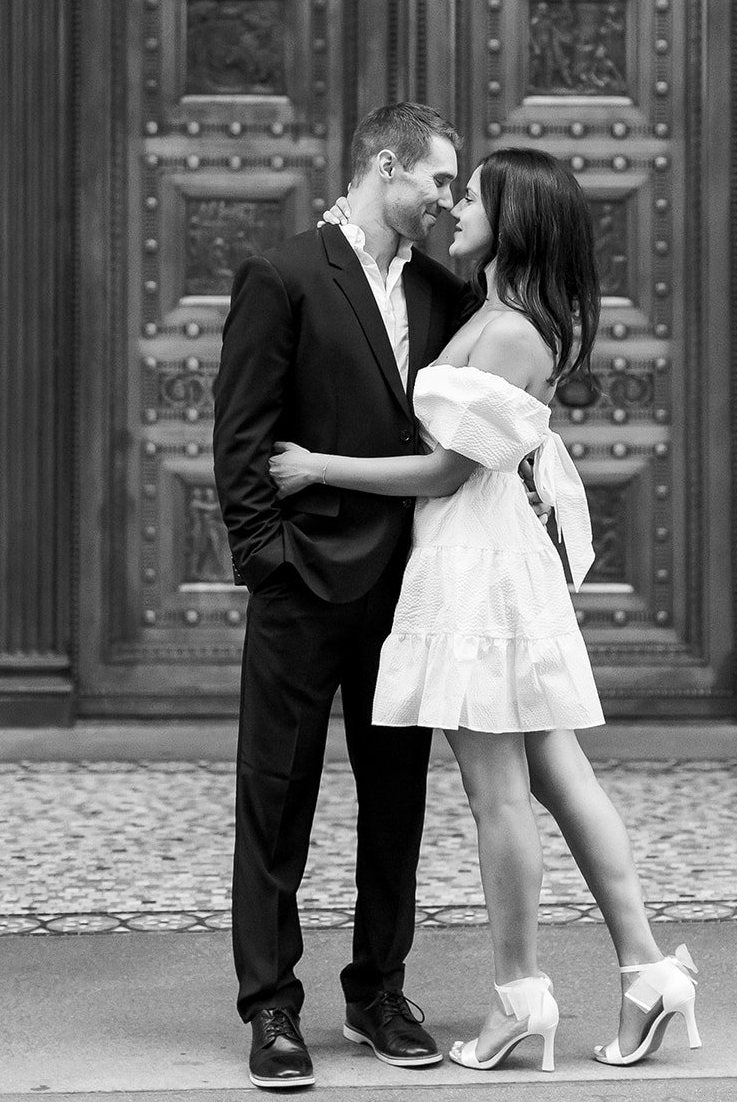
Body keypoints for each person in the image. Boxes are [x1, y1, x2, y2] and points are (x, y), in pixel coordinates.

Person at [270, 148, 701, 1073]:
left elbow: (446, 471)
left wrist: (316, 466)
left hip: (473, 563)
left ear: (513, 219)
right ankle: (647, 972)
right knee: (559, 775)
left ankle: (519, 996)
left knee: (498, 793)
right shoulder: (494, 312)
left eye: (470, 197)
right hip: (484, 550)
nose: (454, 207)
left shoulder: (509, 332)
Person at [213, 102, 475, 1089]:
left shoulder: (443, 292)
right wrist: (267, 561)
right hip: (302, 582)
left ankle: (377, 992)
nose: (445, 199)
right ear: (385, 166)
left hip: (408, 587)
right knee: (274, 797)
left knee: (396, 800)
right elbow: (241, 435)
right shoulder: (283, 273)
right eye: (437, 179)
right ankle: (270, 1006)